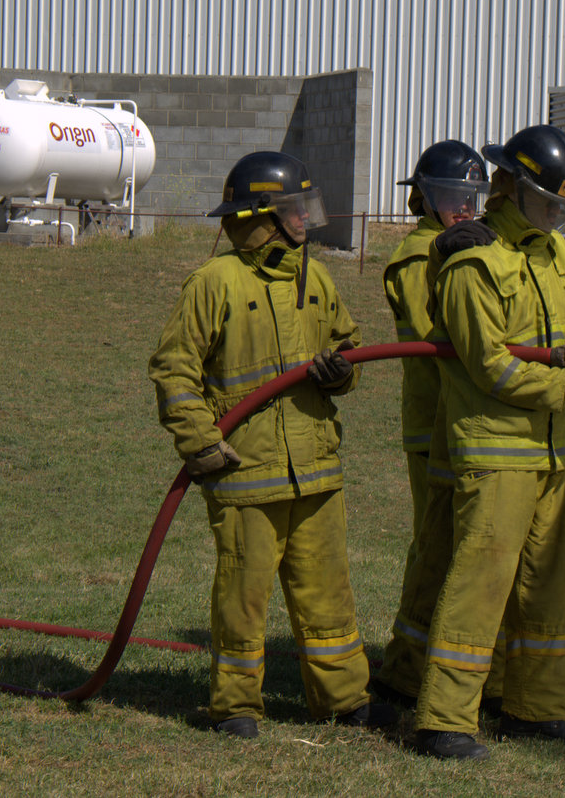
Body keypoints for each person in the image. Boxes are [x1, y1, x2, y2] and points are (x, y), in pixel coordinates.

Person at [148, 150, 391, 736]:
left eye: (306, 208)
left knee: (327, 594)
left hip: (316, 471)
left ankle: (344, 700)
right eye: (292, 209)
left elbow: (351, 346)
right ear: (261, 217)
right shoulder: (215, 283)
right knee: (243, 597)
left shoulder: (317, 278)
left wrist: (345, 372)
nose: (306, 219)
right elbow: (174, 369)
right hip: (245, 473)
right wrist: (199, 443)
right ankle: (235, 708)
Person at [413, 124, 565, 761]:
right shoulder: (472, 263)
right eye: (550, 204)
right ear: (510, 186)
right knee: (482, 583)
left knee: (550, 585)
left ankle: (537, 708)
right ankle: (444, 719)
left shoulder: (556, 254)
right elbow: (492, 368)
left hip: (557, 450)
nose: (561, 218)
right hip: (497, 450)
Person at [373, 140, 493, 706]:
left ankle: (426, 661)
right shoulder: (421, 255)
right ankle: (406, 668)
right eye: (451, 196)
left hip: (460, 421)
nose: (464, 207)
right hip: (434, 424)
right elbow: (442, 335)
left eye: (472, 196)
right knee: (436, 547)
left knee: (453, 547)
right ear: (423, 198)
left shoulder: (458, 246)